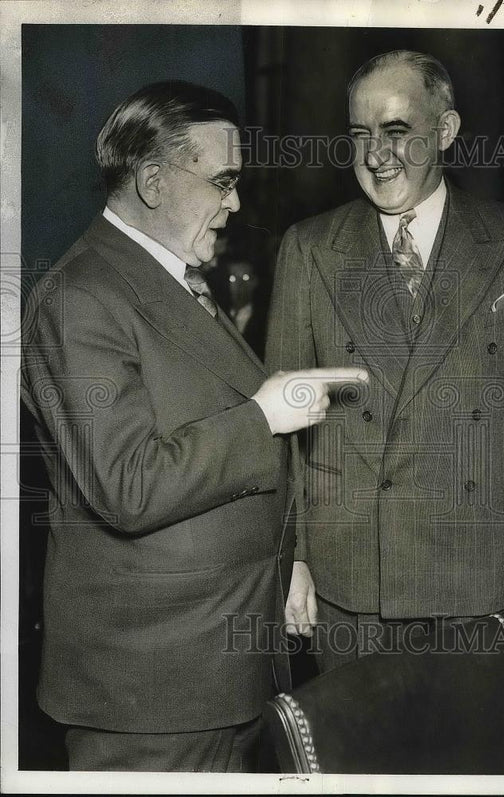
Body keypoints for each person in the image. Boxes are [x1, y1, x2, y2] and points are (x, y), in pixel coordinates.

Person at [21, 80, 365, 771]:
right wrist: (264, 414)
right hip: (149, 696)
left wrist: (288, 559)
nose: (236, 202)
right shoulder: (79, 297)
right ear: (153, 180)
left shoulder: (166, 279)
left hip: (216, 674)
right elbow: (127, 485)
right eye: (223, 180)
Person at [266, 51, 504, 672]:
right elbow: (285, 428)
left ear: (444, 131)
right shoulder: (309, 248)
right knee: (359, 762)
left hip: (490, 573)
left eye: (396, 133)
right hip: (352, 579)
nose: (376, 156)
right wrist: (292, 558)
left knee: (480, 765)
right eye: (360, 136)